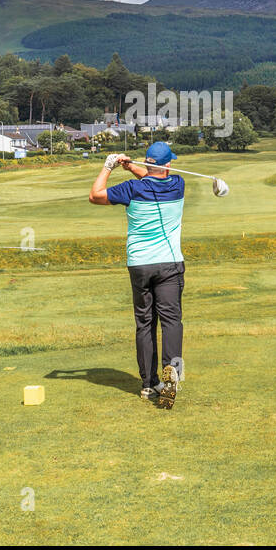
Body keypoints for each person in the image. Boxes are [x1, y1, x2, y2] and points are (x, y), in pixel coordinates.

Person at [89, 140, 186, 408]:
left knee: (145, 323)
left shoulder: (132, 189)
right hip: (169, 264)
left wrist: (110, 166)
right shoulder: (178, 184)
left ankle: (148, 384)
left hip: (140, 265)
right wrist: (133, 166)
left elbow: (95, 195)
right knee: (171, 322)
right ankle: (172, 373)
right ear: (168, 165)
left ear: (147, 163)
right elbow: (155, 177)